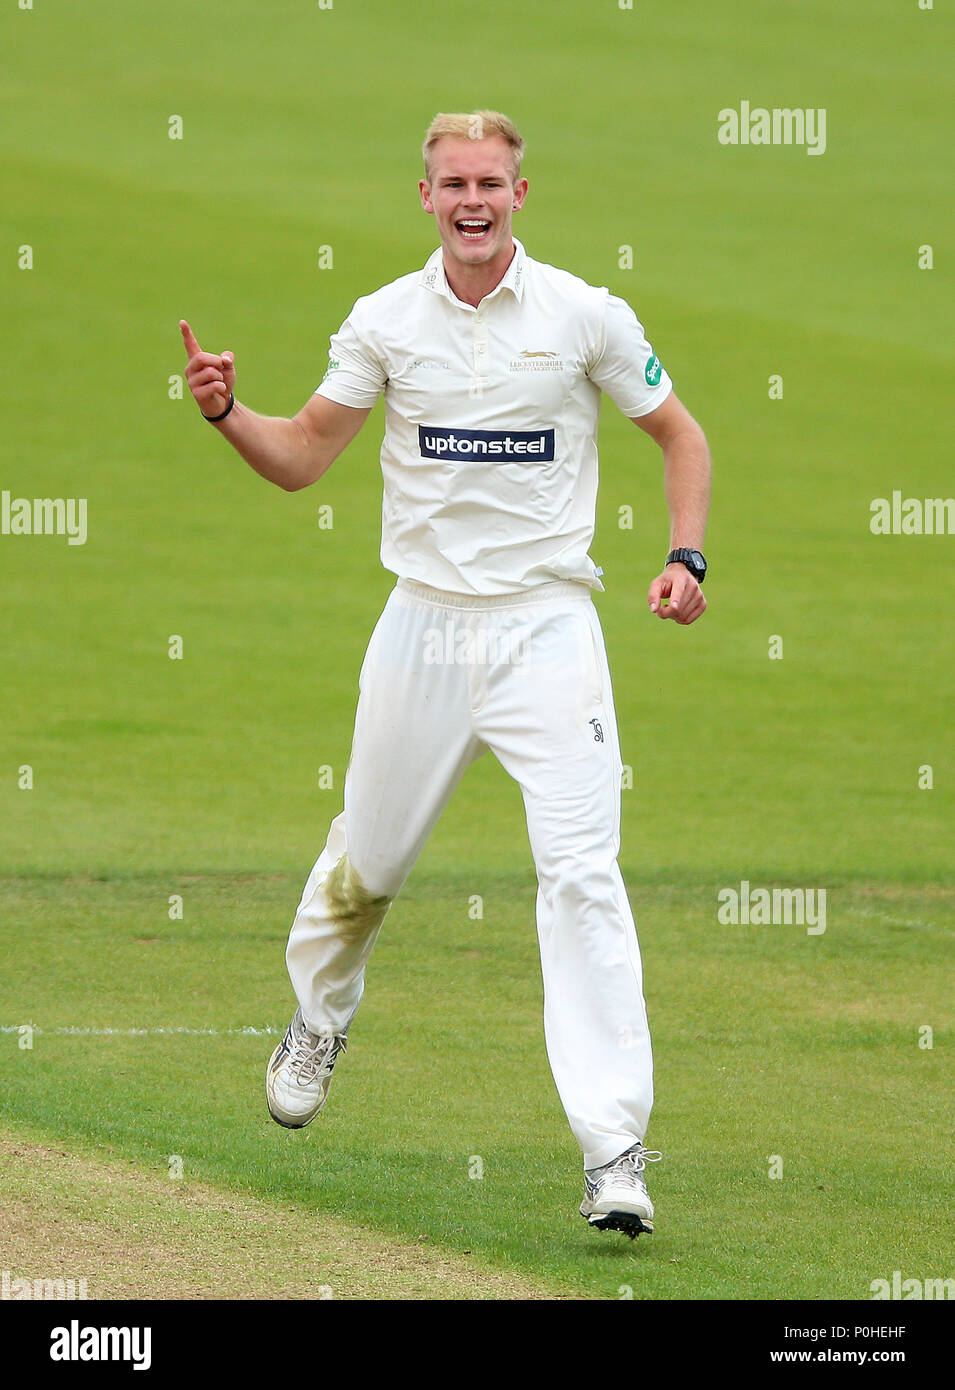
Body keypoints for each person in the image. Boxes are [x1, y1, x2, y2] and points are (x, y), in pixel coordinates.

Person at [179, 109, 710, 1239]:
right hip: (421, 627)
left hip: (546, 629)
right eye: (453, 181)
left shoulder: (583, 315)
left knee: (582, 872)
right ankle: (317, 1020)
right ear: (423, 197)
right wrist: (229, 414)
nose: (473, 198)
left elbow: (682, 435)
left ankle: (613, 1149)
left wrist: (684, 554)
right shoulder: (384, 319)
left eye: (492, 181)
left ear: (523, 193)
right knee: (367, 862)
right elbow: (303, 456)